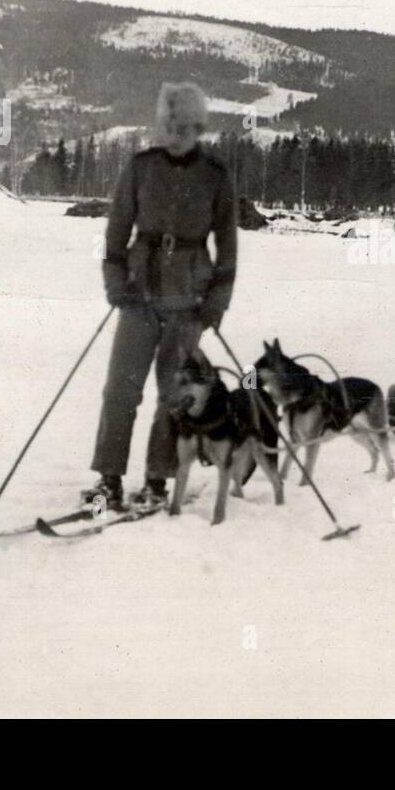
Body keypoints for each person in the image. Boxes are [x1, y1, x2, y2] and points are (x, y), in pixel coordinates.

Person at [85, 82, 238, 511]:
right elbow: (117, 231)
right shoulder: (140, 167)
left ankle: (157, 481)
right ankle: (108, 479)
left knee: (174, 397)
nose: (176, 134)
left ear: (198, 127)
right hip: (139, 296)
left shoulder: (216, 176)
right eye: (169, 125)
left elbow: (227, 247)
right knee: (120, 390)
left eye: (185, 127)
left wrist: (215, 304)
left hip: (189, 303)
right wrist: (116, 282)